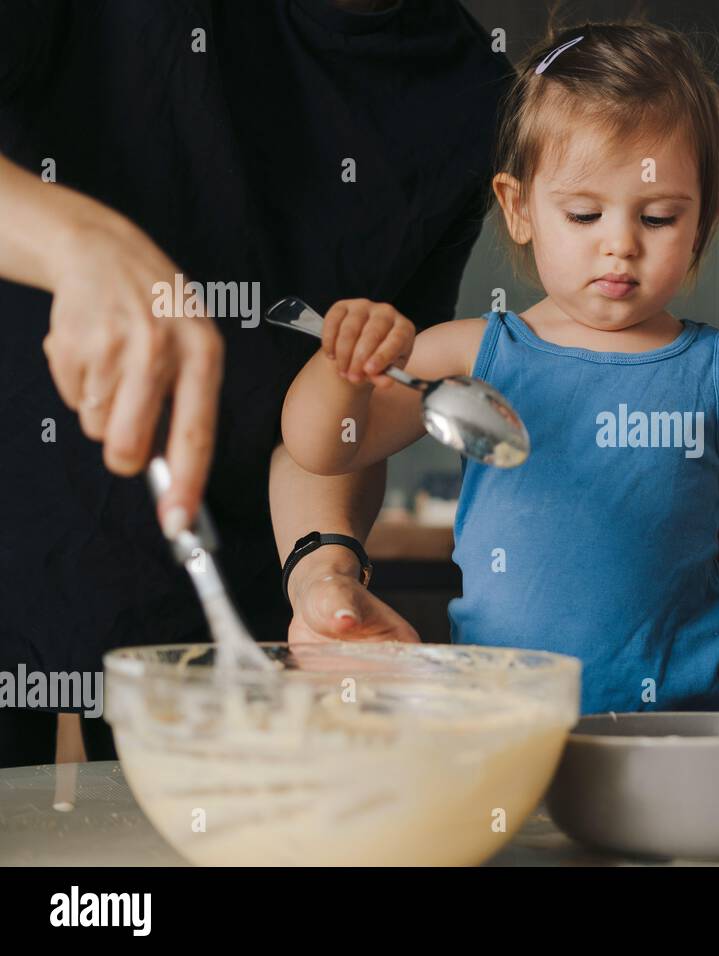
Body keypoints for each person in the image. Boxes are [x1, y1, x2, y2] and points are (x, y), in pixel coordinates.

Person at [0, 0, 512, 767]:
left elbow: (349, 410)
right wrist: (76, 242)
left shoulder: (472, 93)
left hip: (214, 616)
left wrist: (324, 568)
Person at [280, 22, 719, 715]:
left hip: (683, 730)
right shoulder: (472, 354)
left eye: (660, 217)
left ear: (707, 216)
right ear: (518, 208)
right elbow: (321, 447)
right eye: (584, 214)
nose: (620, 246)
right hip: (501, 726)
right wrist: (341, 365)